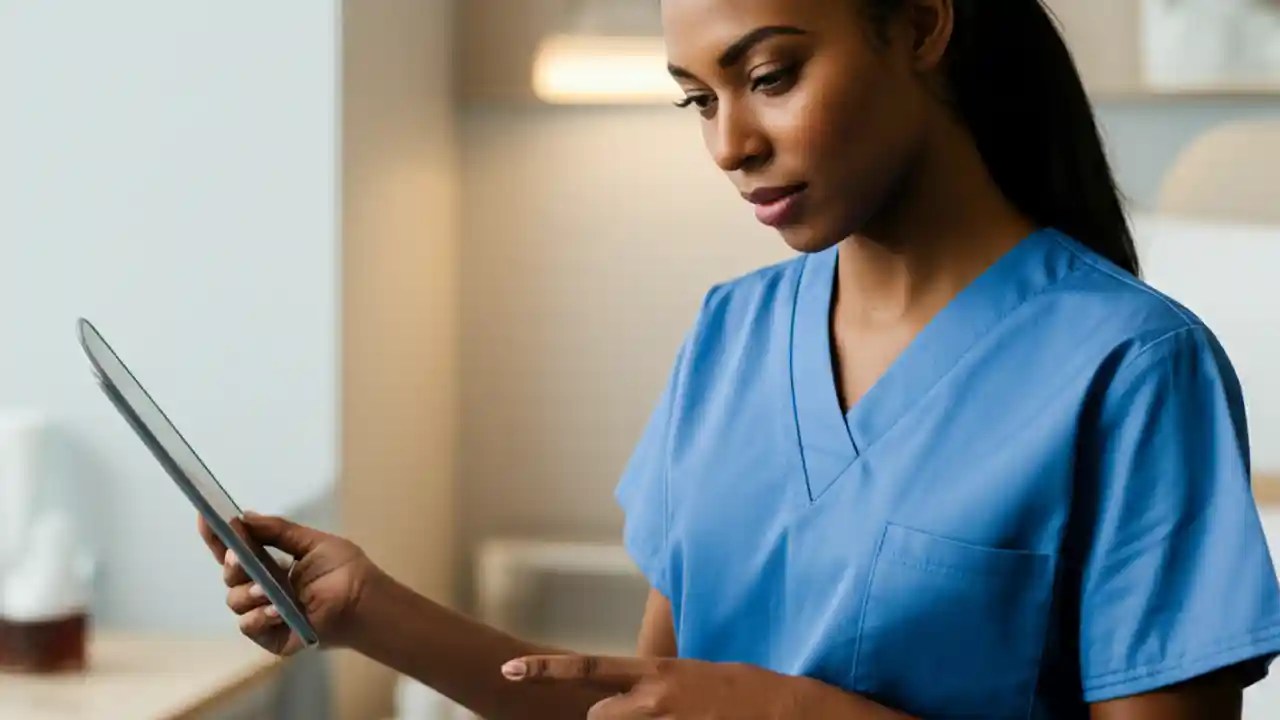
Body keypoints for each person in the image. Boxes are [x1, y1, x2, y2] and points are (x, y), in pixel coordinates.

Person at [200, 0, 1280, 717]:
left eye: (769, 74)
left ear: (917, 25)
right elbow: (642, 701)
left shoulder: (1132, 367)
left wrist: (793, 711)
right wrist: (368, 610)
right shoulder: (731, 333)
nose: (729, 144)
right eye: (697, 98)